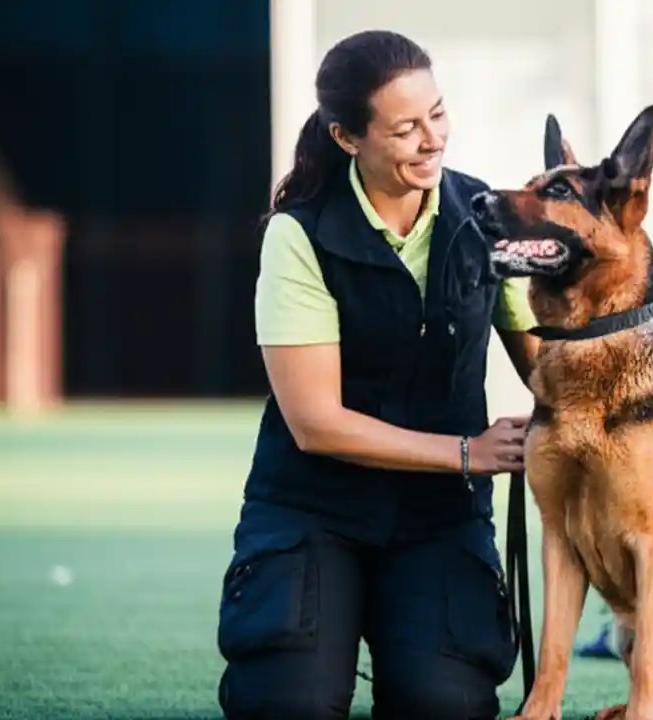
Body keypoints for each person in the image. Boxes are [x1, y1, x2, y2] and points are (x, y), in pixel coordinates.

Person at [215, 30, 541, 720]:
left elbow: (551, 366)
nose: (433, 140)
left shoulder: (485, 221)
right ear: (346, 137)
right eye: (405, 128)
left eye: (439, 115)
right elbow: (315, 424)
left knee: (443, 709)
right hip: (313, 512)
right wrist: (469, 453)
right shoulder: (298, 235)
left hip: (439, 522)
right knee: (290, 707)